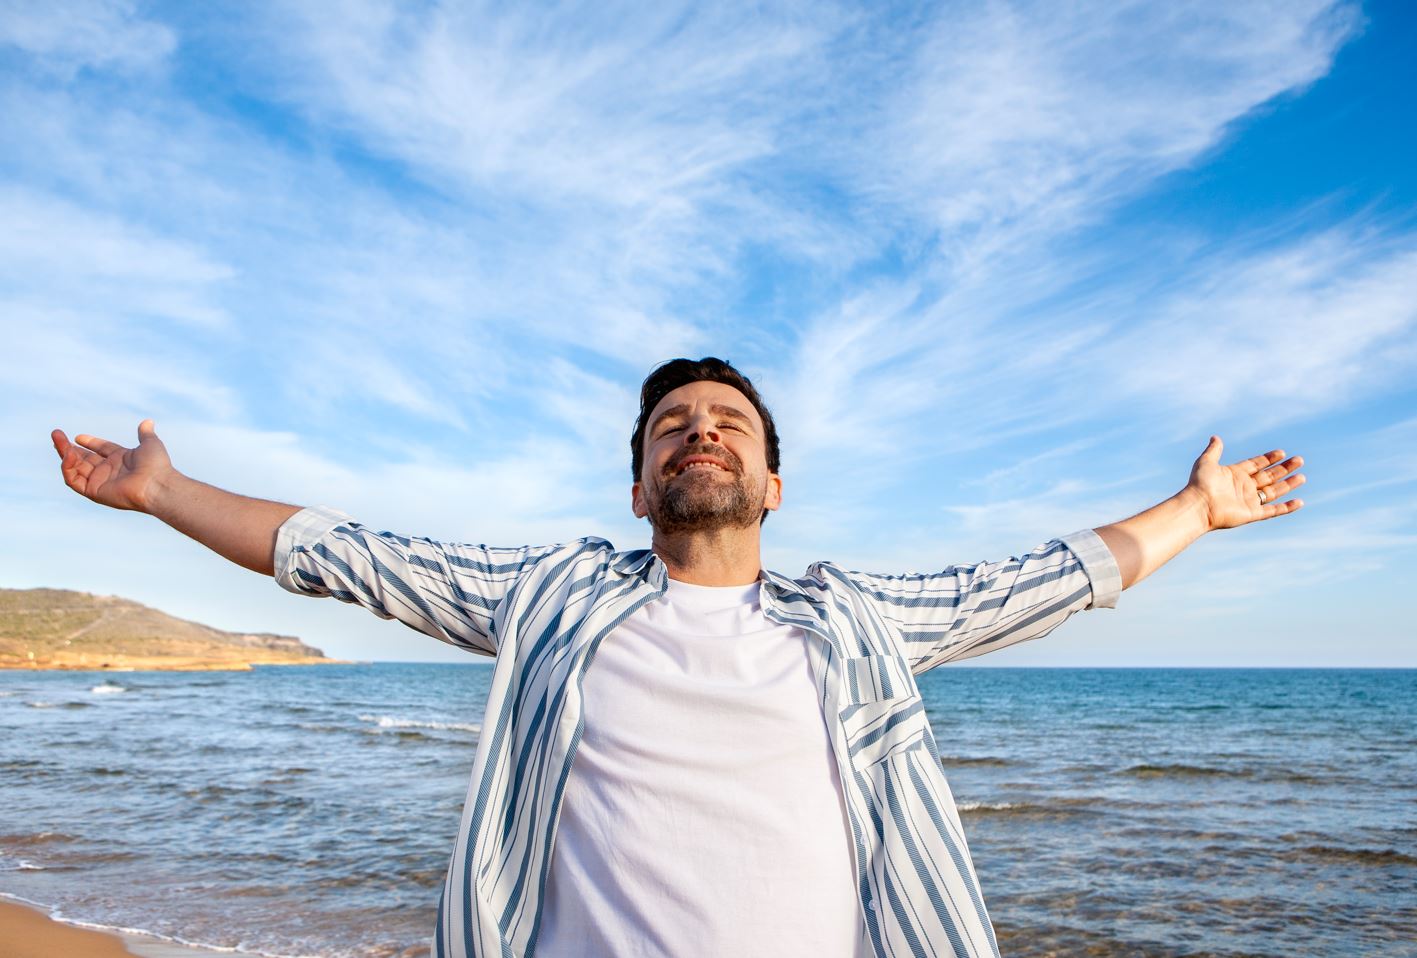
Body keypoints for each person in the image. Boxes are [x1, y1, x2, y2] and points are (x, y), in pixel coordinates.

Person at [51, 357, 1304, 958]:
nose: (698, 432)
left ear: (771, 480)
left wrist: (1194, 511)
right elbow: (343, 553)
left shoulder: (857, 616)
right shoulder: (553, 595)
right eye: (670, 426)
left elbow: (1044, 579)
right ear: (641, 479)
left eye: (727, 424)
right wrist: (166, 494)